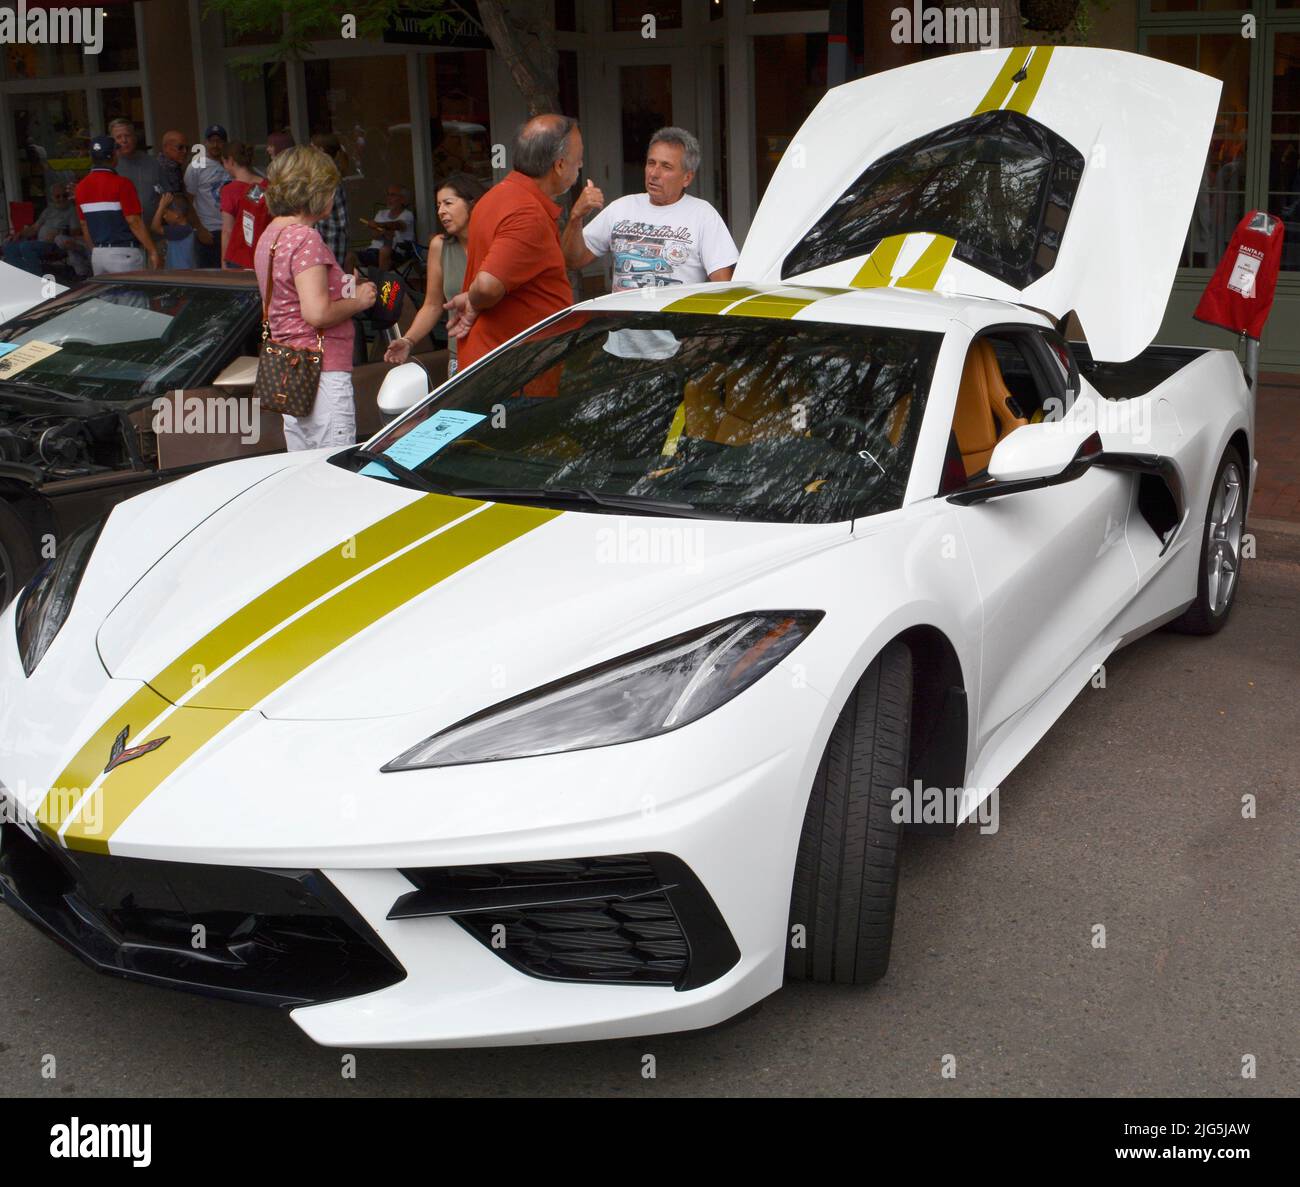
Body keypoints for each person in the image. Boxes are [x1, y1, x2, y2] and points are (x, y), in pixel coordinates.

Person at [254, 145, 377, 450]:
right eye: (331, 189)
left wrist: (339, 287)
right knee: (332, 467)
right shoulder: (305, 237)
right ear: (314, 191)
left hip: (289, 371)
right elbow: (317, 313)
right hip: (321, 369)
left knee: (303, 467)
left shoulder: (271, 234)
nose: (334, 197)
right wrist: (359, 300)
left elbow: (288, 299)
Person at [446, 115, 581, 371]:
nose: (581, 164)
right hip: (515, 376)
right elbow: (486, 286)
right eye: (579, 157)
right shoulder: (527, 212)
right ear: (560, 165)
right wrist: (475, 300)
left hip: (504, 366)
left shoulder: (498, 195)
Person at [562, 126, 737, 291]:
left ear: (687, 178)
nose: (654, 173)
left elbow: (723, 285)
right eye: (651, 163)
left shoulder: (703, 215)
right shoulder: (621, 207)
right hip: (625, 321)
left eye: (666, 166)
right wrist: (576, 217)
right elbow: (573, 260)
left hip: (675, 321)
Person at [384, 172, 485, 376]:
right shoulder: (440, 245)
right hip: (461, 355)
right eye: (438, 205)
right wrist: (408, 340)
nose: (441, 211)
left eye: (448, 203)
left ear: (472, 204)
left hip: (502, 351)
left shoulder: (498, 242)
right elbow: (432, 305)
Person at [74, 134, 160, 274]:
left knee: (105, 296)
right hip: (123, 253)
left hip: (98, 254)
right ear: (113, 155)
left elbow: (84, 225)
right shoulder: (122, 183)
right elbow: (134, 221)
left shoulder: (80, 187)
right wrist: (153, 251)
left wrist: (95, 252)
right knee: (132, 296)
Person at [3, 182, 89, 277]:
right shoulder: (48, 210)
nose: (62, 199)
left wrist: (60, 232)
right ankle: (24, 275)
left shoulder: (72, 211)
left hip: (55, 245)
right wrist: (19, 234)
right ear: (52, 197)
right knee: (9, 246)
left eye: (64, 196)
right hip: (40, 243)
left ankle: (35, 277)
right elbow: (34, 228)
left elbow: (75, 232)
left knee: (26, 246)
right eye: (58, 196)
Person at [184, 123, 231, 267]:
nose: (215, 145)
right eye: (212, 141)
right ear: (205, 143)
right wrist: (199, 229)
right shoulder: (196, 166)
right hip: (209, 231)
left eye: (220, 141)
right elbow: (187, 201)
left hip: (230, 230)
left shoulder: (232, 163)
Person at [109, 117, 165, 227]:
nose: (124, 140)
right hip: (122, 235)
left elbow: (166, 194)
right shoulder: (107, 166)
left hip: (153, 232)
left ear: (135, 137)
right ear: (112, 141)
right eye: (119, 137)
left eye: (127, 135)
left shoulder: (152, 163)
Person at [217, 140, 264, 268]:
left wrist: (223, 262)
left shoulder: (230, 190)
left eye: (224, 162)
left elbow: (227, 230)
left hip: (239, 255)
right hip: (263, 252)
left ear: (231, 161)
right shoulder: (265, 185)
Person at [309, 132, 351, 267]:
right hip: (332, 235)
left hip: (331, 237)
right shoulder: (328, 173)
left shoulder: (327, 176)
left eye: (312, 148)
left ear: (320, 151)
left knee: (332, 279)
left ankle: (348, 288)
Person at [358, 184, 415, 272]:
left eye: (392, 195)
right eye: (387, 195)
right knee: (350, 256)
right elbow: (375, 235)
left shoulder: (407, 214)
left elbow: (397, 225)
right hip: (373, 251)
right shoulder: (381, 213)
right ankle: (348, 286)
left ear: (403, 199)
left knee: (384, 251)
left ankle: (383, 285)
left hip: (396, 253)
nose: (388, 198)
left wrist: (378, 225)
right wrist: (382, 232)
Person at [151, 191, 211, 270]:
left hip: (181, 272)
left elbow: (155, 227)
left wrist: (161, 207)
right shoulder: (186, 228)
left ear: (176, 215)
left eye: (165, 213)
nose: (164, 217)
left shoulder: (181, 230)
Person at [157, 128, 189, 196]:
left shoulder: (174, 166)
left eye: (187, 148)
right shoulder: (161, 169)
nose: (185, 151)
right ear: (166, 148)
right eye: (180, 148)